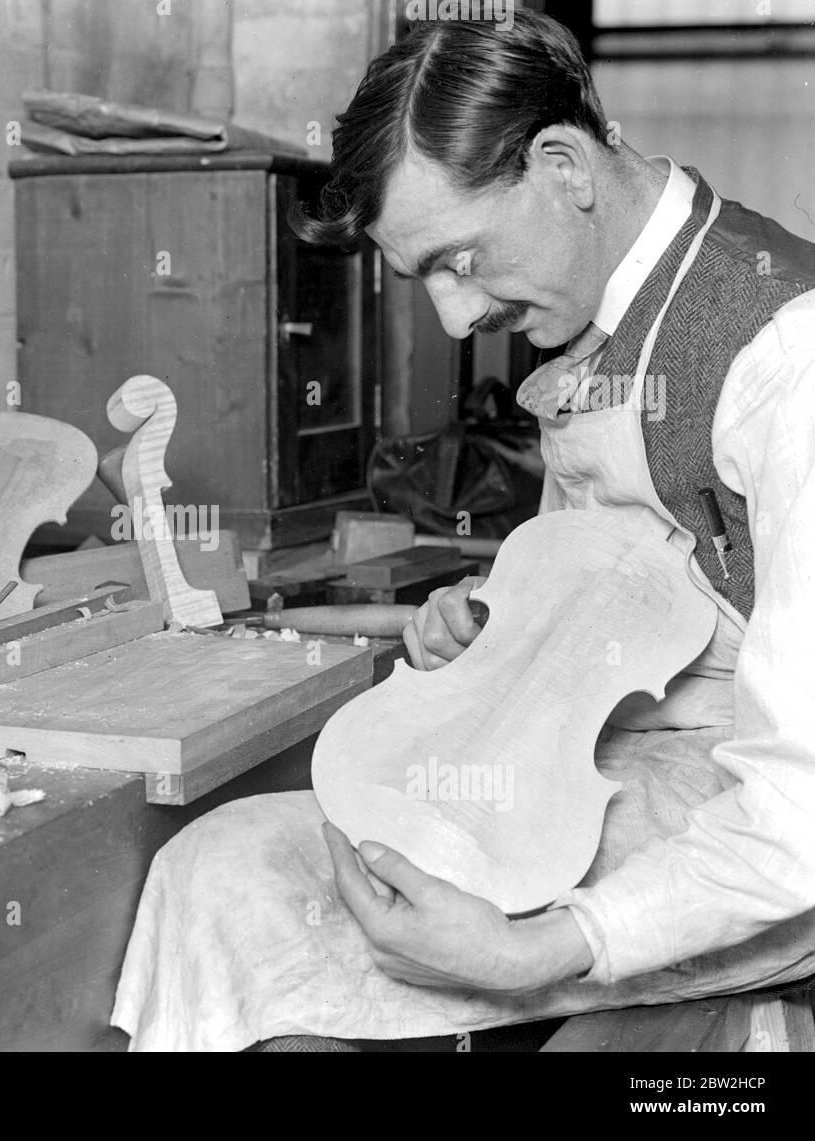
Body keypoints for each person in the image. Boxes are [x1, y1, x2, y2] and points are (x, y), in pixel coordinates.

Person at [110, 9, 815, 1051]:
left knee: (273, 917)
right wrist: (505, 633)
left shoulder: (782, 361)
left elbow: (804, 809)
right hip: (593, 759)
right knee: (211, 869)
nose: (451, 316)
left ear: (563, 165)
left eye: (462, 258)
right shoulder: (589, 302)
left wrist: (536, 947)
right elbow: (603, 577)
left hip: (744, 824)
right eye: (424, 276)